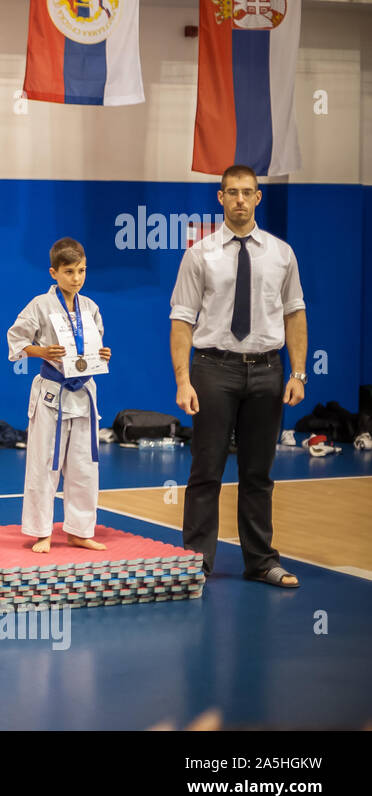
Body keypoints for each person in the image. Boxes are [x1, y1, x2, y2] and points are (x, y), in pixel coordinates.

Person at [170, 164, 307, 588]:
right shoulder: (200, 254)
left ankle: (261, 561)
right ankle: (196, 563)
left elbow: (295, 313)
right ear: (221, 197)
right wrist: (183, 380)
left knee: (257, 474)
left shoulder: (282, 254)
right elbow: (181, 320)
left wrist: (298, 372)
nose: (241, 200)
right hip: (213, 369)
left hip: (268, 370)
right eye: (233, 193)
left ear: (258, 197)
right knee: (205, 470)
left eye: (248, 192)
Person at [7, 238, 112, 553]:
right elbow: (16, 339)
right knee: (44, 464)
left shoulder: (90, 307)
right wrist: (42, 350)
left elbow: (92, 348)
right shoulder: (40, 305)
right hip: (52, 393)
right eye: (69, 271)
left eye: (81, 270)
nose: (76, 278)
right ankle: (42, 531)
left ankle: (80, 530)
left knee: (83, 464)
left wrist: (102, 354)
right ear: (54, 272)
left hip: (84, 394)